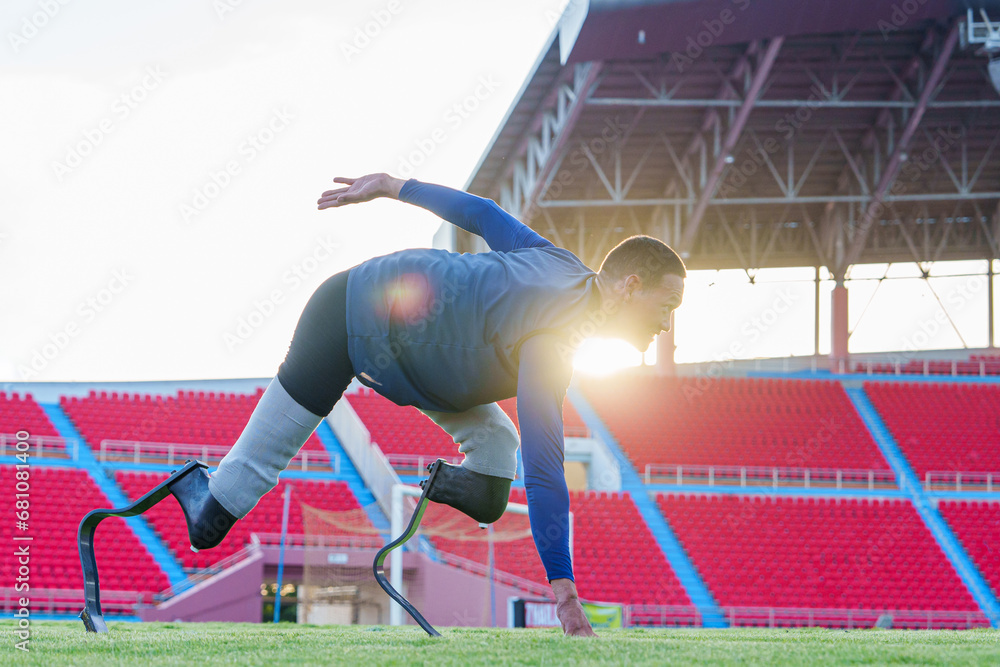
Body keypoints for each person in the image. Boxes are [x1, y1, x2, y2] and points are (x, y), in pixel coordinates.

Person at [167, 173, 686, 637]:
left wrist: (393, 186)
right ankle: (191, 483)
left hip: (427, 369)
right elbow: (547, 471)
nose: (665, 323)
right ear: (630, 285)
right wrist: (566, 597)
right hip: (345, 319)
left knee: (494, 472)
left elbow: (482, 214)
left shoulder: (561, 269)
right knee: (209, 526)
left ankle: (437, 480)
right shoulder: (555, 335)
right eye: (665, 307)